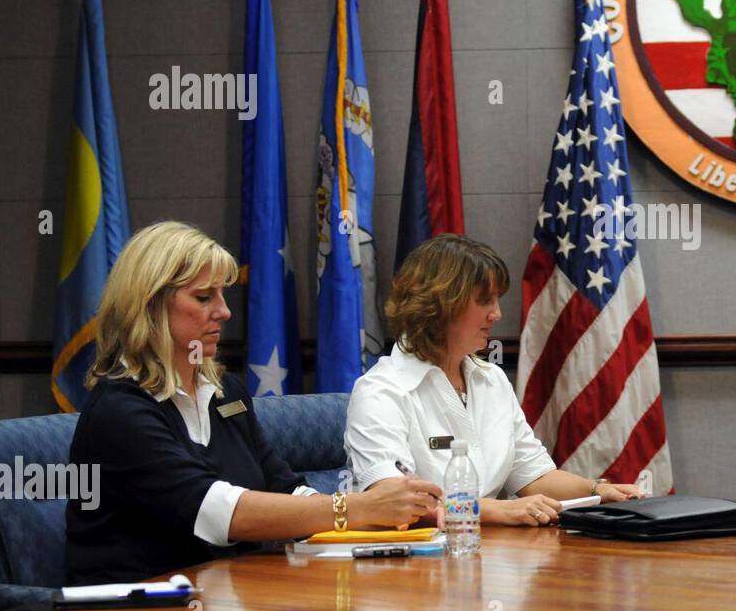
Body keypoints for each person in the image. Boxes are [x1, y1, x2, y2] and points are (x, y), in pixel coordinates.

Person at [65, 222, 439, 586]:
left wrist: (384, 520)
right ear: (150, 305)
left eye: (222, 295)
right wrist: (358, 508)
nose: (225, 312)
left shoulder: (226, 392)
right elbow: (216, 513)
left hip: (223, 598)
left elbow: (284, 487)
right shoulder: (120, 410)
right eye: (203, 297)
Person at [345, 234, 643, 526]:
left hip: (486, 553)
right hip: (413, 565)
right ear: (441, 304)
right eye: (485, 301)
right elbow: (397, 502)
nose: (497, 314)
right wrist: (498, 510)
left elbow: (534, 476)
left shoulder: (492, 379)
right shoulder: (380, 392)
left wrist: (598, 491)